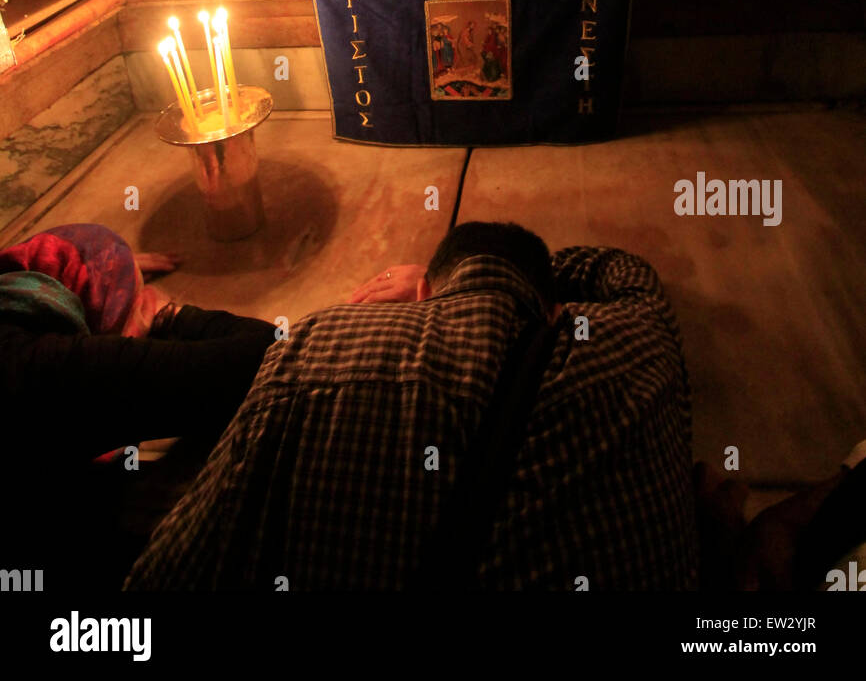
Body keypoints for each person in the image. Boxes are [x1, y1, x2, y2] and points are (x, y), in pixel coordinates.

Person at [124, 222, 699, 591]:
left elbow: (168, 574)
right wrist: (527, 275)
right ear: (554, 308)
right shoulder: (637, 335)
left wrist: (446, 276)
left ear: (423, 291)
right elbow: (622, 269)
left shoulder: (321, 345)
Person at [0, 223, 277, 589]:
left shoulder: (17, 301)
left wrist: (97, 264)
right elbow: (266, 353)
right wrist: (166, 314)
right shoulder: (48, 369)